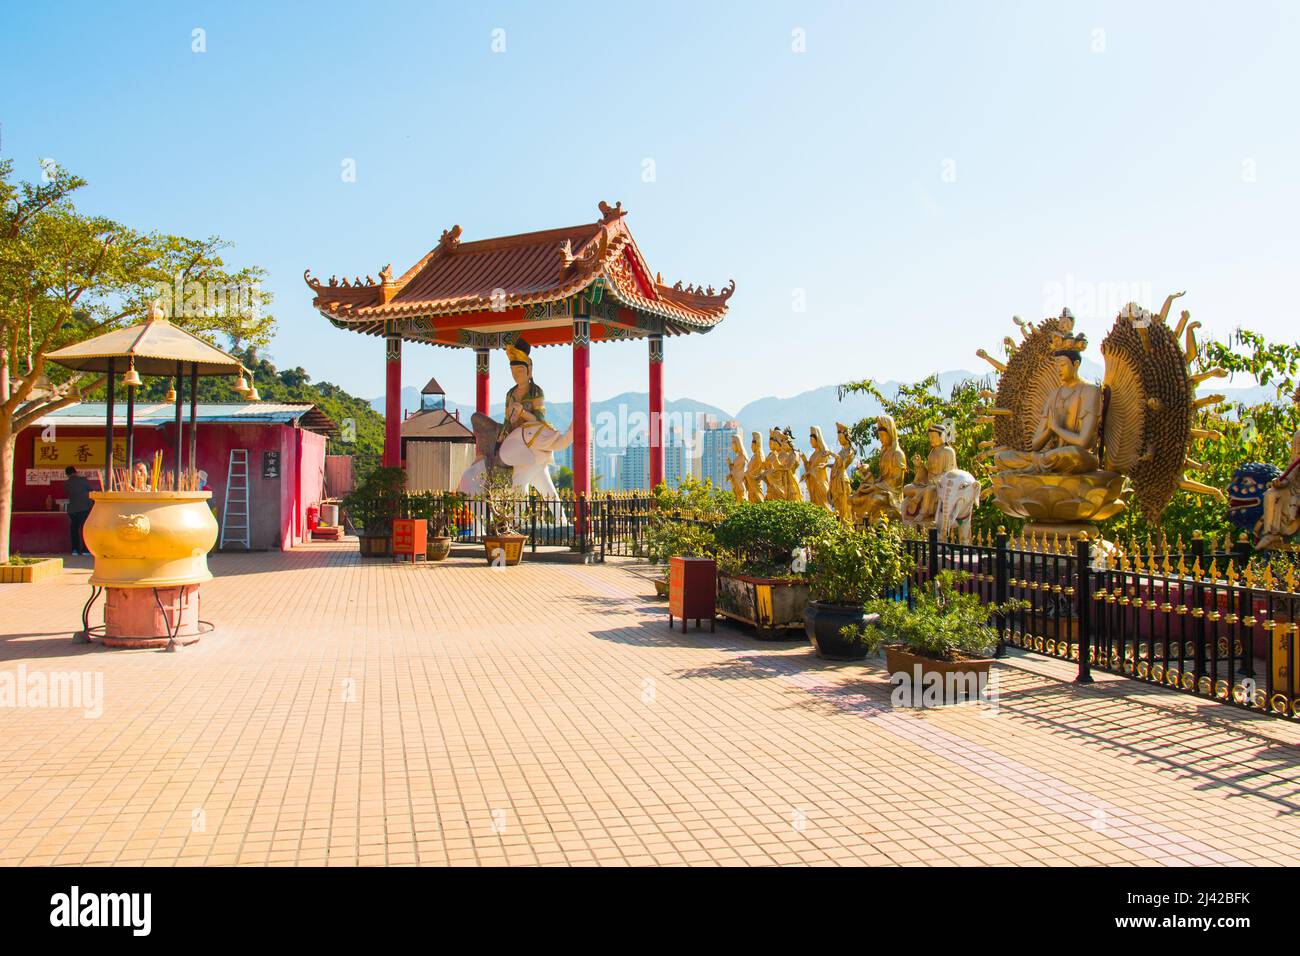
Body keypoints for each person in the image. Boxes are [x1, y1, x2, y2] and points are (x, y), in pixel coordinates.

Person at [63, 466, 92, 556]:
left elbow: (68, 492)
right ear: (75, 472)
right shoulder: (83, 480)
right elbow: (90, 490)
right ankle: (85, 550)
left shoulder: (66, 483)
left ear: (67, 474)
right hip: (84, 508)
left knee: (74, 530)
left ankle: (75, 550)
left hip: (72, 510)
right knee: (84, 529)